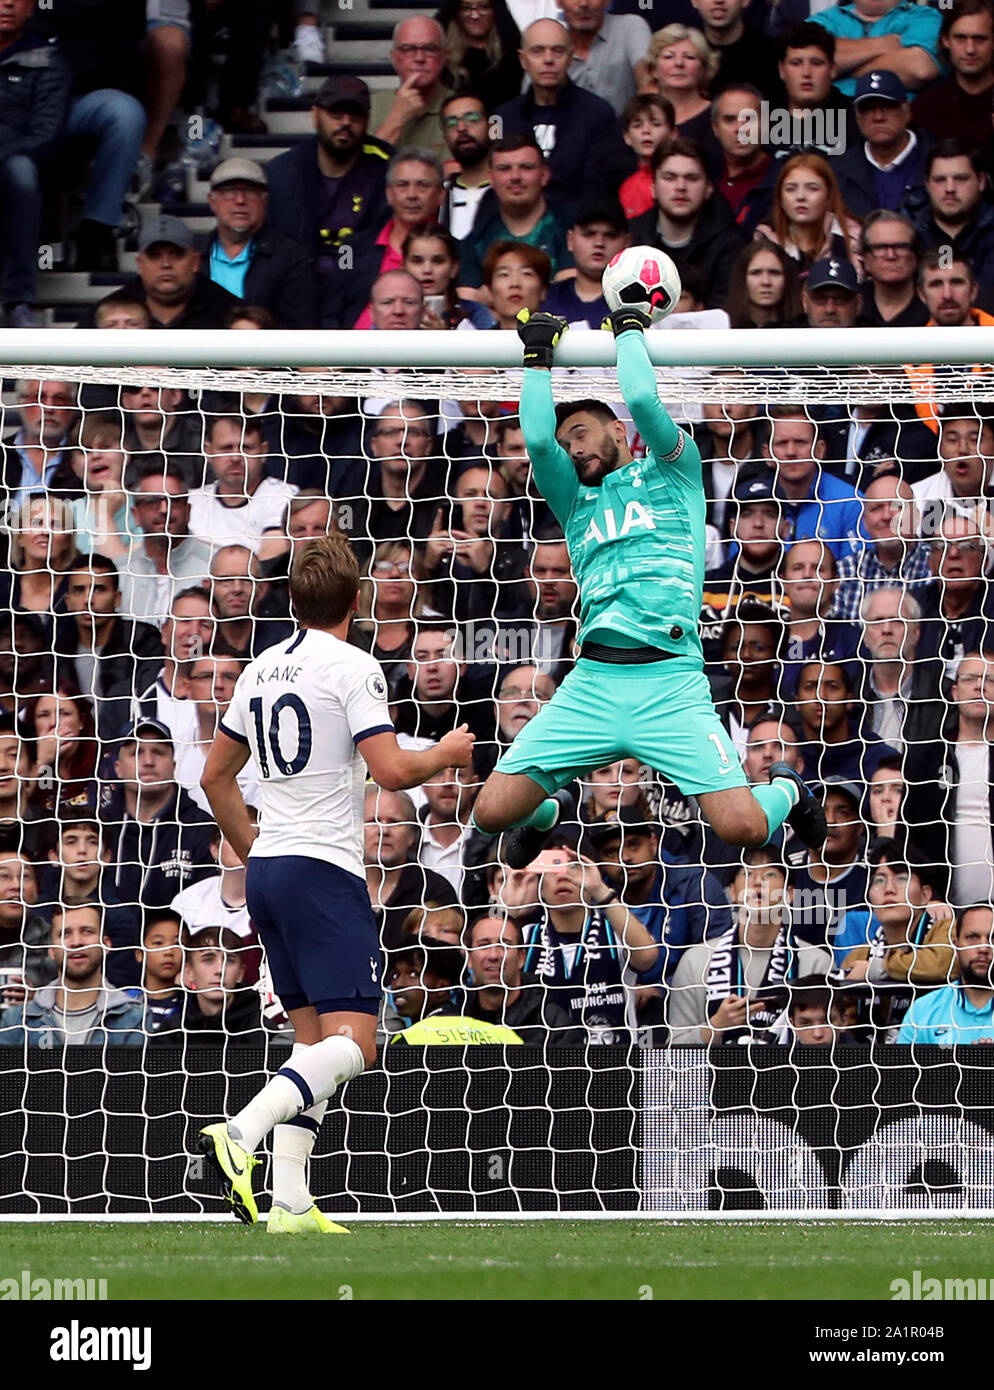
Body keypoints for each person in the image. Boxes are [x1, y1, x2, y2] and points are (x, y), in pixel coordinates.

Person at [470, 304, 828, 881]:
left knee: (744, 829)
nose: (573, 447)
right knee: (488, 815)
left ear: (618, 433)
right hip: (592, 682)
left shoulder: (676, 471)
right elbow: (536, 440)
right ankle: (546, 813)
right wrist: (536, 359)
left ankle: (786, 788)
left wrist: (628, 328)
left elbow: (642, 401)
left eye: (581, 433)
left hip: (670, 684)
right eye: (569, 441)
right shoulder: (574, 500)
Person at [197, 534, 475, 1233]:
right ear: (359, 599)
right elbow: (391, 772)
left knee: (311, 1041)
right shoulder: (354, 666)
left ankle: (290, 1201)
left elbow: (214, 778)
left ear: (290, 598)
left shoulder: (258, 668)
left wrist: (257, 852)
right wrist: (445, 751)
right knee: (357, 1044)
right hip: (324, 872)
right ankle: (241, 1131)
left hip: (268, 871)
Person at [667, 849, 832, 1044]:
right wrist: (716, 1027)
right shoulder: (695, 961)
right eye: (747, 873)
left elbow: (826, 1041)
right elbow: (675, 1048)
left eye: (770, 874)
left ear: (789, 894)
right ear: (733, 892)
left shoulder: (816, 962)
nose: (757, 882)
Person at [519, 842, 658, 1043]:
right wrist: (507, 908)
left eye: (574, 868)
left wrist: (599, 889)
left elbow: (648, 957)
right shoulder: (524, 938)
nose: (563, 876)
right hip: (544, 1066)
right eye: (552, 870)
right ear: (540, 887)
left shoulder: (617, 931)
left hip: (614, 1065)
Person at [264, 76, 390, 278]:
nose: (346, 122)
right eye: (336, 114)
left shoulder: (387, 169)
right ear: (314, 115)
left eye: (355, 115)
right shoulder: (283, 172)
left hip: (363, 287)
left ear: (368, 120)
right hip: (297, 288)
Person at [493, 20, 621, 213]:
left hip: (576, 228)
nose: (548, 59)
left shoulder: (598, 113)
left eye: (558, 51)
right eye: (537, 51)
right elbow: (495, 181)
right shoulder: (501, 117)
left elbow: (598, 189)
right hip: (514, 227)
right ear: (523, 60)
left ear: (570, 58)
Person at [836, 839, 954, 1039]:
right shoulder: (860, 955)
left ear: (925, 895)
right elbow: (845, 1017)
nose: (888, 888)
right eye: (879, 880)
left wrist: (878, 969)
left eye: (901, 878)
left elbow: (941, 964)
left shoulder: (945, 931)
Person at [0, 0, 71, 328]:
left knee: (21, 173)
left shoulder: (48, 59)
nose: (8, 3)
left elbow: (47, 132)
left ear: (32, 8)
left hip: (15, 159)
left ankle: (18, 300)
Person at [905, 651, 994, 907]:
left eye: (990, 680)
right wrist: (928, 898)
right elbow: (909, 834)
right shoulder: (926, 758)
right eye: (971, 679)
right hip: (942, 913)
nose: (980, 686)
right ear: (955, 692)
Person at [626, 136, 745, 311]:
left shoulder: (731, 245)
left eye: (692, 178)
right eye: (669, 177)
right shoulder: (630, 239)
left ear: (708, 189)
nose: (680, 186)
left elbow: (723, 314)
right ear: (653, 188)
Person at [0, 902, 144, 1046]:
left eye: (87, 931)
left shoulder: (134, 1017)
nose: (76, 942)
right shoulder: (16, 1020)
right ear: (51, 950)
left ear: (106, 944)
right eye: (65, 934)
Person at [54, 554, 162, 741]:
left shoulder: (143, 642)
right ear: (68, 601)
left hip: (130, 744)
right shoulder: (57, 650)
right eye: (79, 590)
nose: (88, 600)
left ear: (117, 598)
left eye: (99, 589)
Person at [201, 158, 314, 330]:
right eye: (229, 191)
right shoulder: (194, 256)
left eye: (250, 191)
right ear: (212, 201)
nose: (240, 200)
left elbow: (298, 327)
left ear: (265, 200)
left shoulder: (290, 257)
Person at [458, 136, 571, 292]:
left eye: (526, 167)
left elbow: (569, 296)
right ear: (491, 178)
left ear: (544, 175)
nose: (515, 177)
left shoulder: (570, 232)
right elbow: (469, 302)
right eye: (504, 169)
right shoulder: (476, 241)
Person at [97, 215, 240, 330]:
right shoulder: (105, 315)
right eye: (154, 255)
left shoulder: (232, 313)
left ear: (195, 262)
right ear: (139, 264)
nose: (166, 264)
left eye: (176, 255)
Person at [116, 462, 214, 628]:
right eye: (152, 501)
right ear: (136, 515)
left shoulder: (213, 567)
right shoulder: (119, 572)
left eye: (174, 501)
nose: (164, 509)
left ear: (188, 511)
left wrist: (195, 654)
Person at [464, 912, 585, 1042]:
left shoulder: (553, 1024)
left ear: (521, 958)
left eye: (505, 945)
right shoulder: (458, 1015)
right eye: (484, 945)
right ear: (469, 958)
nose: (493, 955)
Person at [764, 406, 865, 560]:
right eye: (782, 443)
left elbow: (858, 574)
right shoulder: (752, 501)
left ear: (820, 450)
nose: (791, 452)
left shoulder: (851, 502)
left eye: (800, 442)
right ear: (767, 454)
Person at [832, 470, 933, 621]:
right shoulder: (845, 572)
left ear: (916, 517)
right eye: (876, 508)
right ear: (864, 522)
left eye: (897, 506)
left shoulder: (937, 567)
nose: (886, 516)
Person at [831, 70, 929, 221]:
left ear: (906, 110)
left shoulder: (935, 161)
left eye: (888, 107)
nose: (878, 117)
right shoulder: (838, 172)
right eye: (868, 109)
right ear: (857, 116)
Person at [190, 415, 297, 552]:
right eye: (226, 448)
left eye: (246, 448)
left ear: (263, 451)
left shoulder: (283, 497)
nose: (236, 458)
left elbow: (271, 562)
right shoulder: (192, 501)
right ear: (208, 451)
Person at [151, 924, 266, 1047]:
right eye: (208, 960)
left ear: (240, 973)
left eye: (229, 960)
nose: (219, 970)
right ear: (189, 972)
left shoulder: (262, 1030)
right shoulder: (172, 1032)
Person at [898, 904, 994, 1044]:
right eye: (973, 937)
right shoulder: (921, 1012)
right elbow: (902, 1065)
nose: (983, 948)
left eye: (993, 938)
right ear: (956, 946)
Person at [908, 140, 994, 294]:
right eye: (940, 180)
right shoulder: (906, 230)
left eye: (960, 179)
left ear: (981, 182)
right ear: (927, 184)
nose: (950, 189)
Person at [810, 0, 941, 99]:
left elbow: (920, 69)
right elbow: (809, 62)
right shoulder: (823, 20)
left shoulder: (926, 18)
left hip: (899, 119)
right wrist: (885, 44)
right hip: (834, 119)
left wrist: (846, 64)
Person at [911, 0, 994, 150]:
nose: (970, 49)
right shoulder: (926, 107)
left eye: (979, 39)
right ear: (946, 40)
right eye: (960, 38)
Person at [754, 153, 860, 270]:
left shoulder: (851, 241)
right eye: (791, 189)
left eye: (812, 188)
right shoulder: (765, 240)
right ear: (780, 198)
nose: (800, 197)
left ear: (829, 196)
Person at [370, 16, 453, 158]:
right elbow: (358, 173)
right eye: (408, 49)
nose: (419, 58)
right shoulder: (369, 107)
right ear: (394, 58)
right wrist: (397, 117)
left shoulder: (463, 108)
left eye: (429, 49)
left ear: (444, 56)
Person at [775, 21, 854, 160]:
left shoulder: (856, 118)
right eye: (796, 63)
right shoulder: (764, 124)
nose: (806, 72)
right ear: (781, 70)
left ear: (833, 69)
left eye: (816, 63)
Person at [541, 202, 627, 329]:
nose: (599, 243)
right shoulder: (543, 297)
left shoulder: (638, 302)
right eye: (588, 234)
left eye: (610, 235)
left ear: (627, 243)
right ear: (570, 240)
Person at [559, 0, 650, 117]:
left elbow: (649, 83)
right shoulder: (551, 46)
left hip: (624, 131)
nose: (583, 4)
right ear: (559, 2)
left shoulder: (630, 27)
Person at [2, 378, 79, 511]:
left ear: (72, 407)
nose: (48, 407)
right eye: (39, 397)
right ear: (21, 403)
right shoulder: (2, 453)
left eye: (59, 398)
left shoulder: (85, 461)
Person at [710, 86, 777, 237]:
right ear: (715, 127)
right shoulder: (700, 175)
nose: (740, 128)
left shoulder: (784, 182)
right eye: (729, 119)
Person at [404, 222, 494, 330]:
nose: (427, 270)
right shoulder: (394, 313)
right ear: (403, 267)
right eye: (417, 261)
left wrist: (444, 338)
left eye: (438, 261)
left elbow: (486, 347)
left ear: (454, 268)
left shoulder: (475, 313)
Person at [436, 0, 522, 111]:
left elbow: (516, 43)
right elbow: (433, 29)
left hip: (499, 124)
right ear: (456, 11)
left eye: (484, 7)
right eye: (465, 8)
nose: (474, 15)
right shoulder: (444, 55)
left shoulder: (508, 52)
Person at [643, 24, 718, 146]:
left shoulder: (718, 116)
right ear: (653, 69)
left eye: (689, 57)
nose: (679, 63)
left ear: (704, 69)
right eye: (669, 56)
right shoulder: (634, 115)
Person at [858, 209, 928, 327]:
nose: (891, 256)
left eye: (900, 247)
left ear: (915, 254)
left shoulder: (932, 305)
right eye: (880, 248)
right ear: (865, 257)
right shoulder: (852, 305)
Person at [438, 91, 494, 239]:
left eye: (472, 119)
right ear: (445, 136)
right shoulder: (439, 196)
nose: (461, 127)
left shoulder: (510, 187)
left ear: (491, 128)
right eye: (452, 122)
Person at [615, 94, 674, 221]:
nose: (646, 130)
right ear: (627, 137)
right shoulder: (627, 187)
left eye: (656, 124)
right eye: (637, 125)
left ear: (672, 134)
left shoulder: (681, 180)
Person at [726, 241, 803, 328]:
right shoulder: (722, 328)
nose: (766, 282)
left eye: (774, 273)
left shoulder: (803, 330)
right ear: (742, 279)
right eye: (756, 273)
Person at [479, 240, 552, 329]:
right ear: (489, 292)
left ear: (543, 291)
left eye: (526, 273)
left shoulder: (565, 341)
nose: (515, 283)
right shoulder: (479, 342)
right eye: (504, 274)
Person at [137, 908, 184, 1035]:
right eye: (158, 943)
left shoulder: (190, 1006)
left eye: (177, 943)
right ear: (140, 954)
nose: (169, 951)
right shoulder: (125, 1001)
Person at [798, 256, 862, 328]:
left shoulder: (875, 334)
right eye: (820, 299)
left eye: (840, 299)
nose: (830, 309)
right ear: (805, 302)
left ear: (858, 304)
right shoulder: (786, 334)